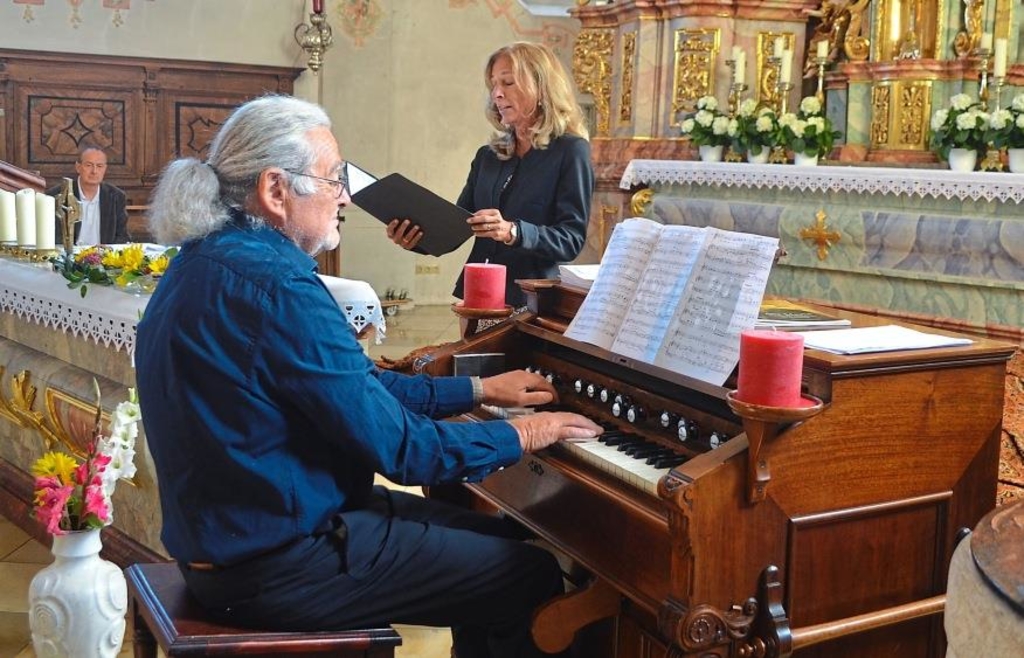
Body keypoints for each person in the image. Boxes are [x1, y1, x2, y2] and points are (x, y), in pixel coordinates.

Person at [134, 95, 602, 658]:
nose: (345, 198)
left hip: (247, 538)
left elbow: (355, 387)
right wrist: (527, 432)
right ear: (276, 191)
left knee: (503, 536)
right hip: (278, 565)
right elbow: (406, 452)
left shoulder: (208, 257)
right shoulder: (278, 286)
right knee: (526, 574)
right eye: (333, 180)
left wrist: (477, 389)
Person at [388, 41, 594, 307]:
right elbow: (456, 227)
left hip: (531, 298)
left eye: (507, 82)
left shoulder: (571, 150)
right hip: (476, 293)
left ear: (542, 88)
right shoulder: (488, 156)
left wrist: (513, 231)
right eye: (493, 85)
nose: (496, 94)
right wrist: (413, 238)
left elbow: (571, 240)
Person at [46, 146, 130, 244]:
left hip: (104, 256)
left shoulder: (116, 196)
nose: (94, 171)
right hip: (68, 256)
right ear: (78, 167)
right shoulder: (57, 195)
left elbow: (122, 236)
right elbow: (51, 235)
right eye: (88, 165)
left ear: (105, 169)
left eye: (99, 166)